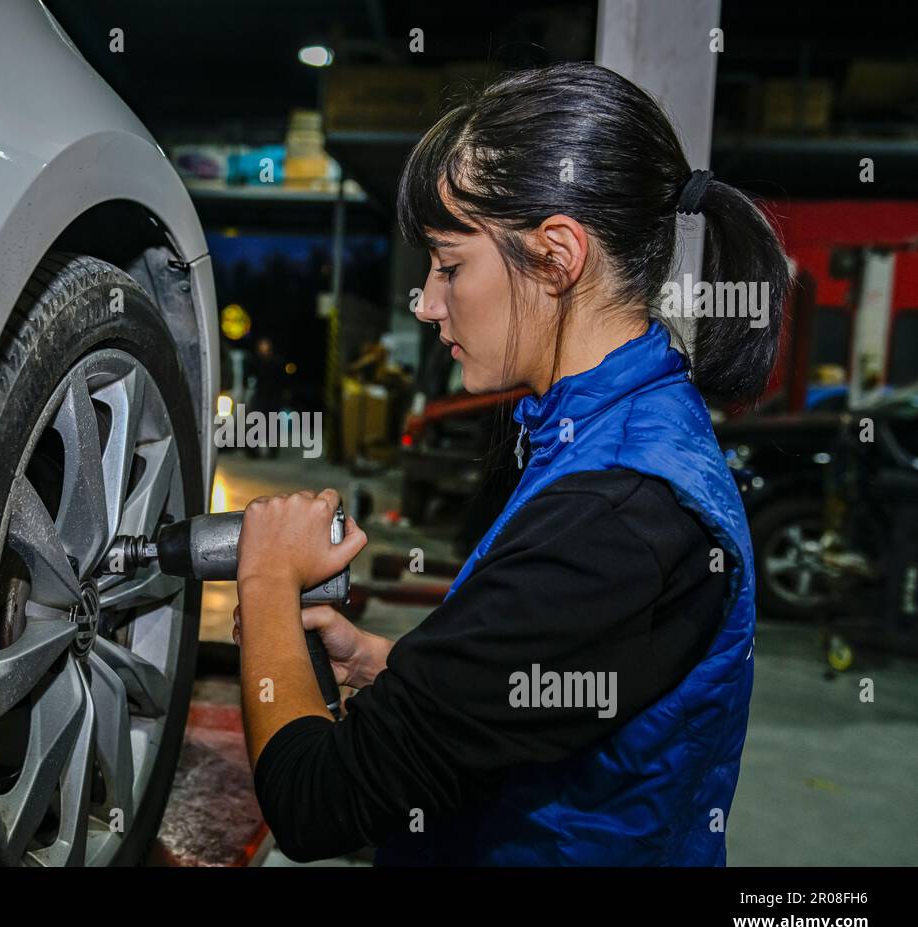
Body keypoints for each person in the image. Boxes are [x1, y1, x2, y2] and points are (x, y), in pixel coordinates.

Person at [231, 62, 789, 865]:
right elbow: (576, 679)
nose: (425, 302)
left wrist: (266, 578)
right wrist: (402, 673)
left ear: (558, 256)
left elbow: (318, 805)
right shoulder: (613, 429)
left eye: (449, 265)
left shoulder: (617, 518)